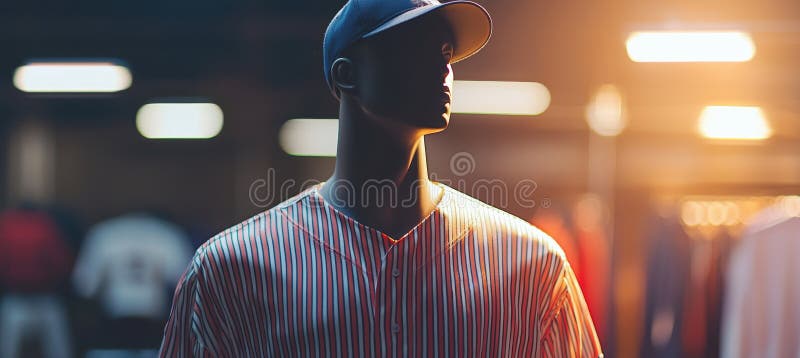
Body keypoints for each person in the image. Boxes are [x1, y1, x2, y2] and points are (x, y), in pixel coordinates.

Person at [159, 0, 602, 356]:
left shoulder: (531, 267)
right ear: (346, 74)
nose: (442, 65)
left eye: (446, 52)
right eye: (413, 45)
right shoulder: (231, 271)